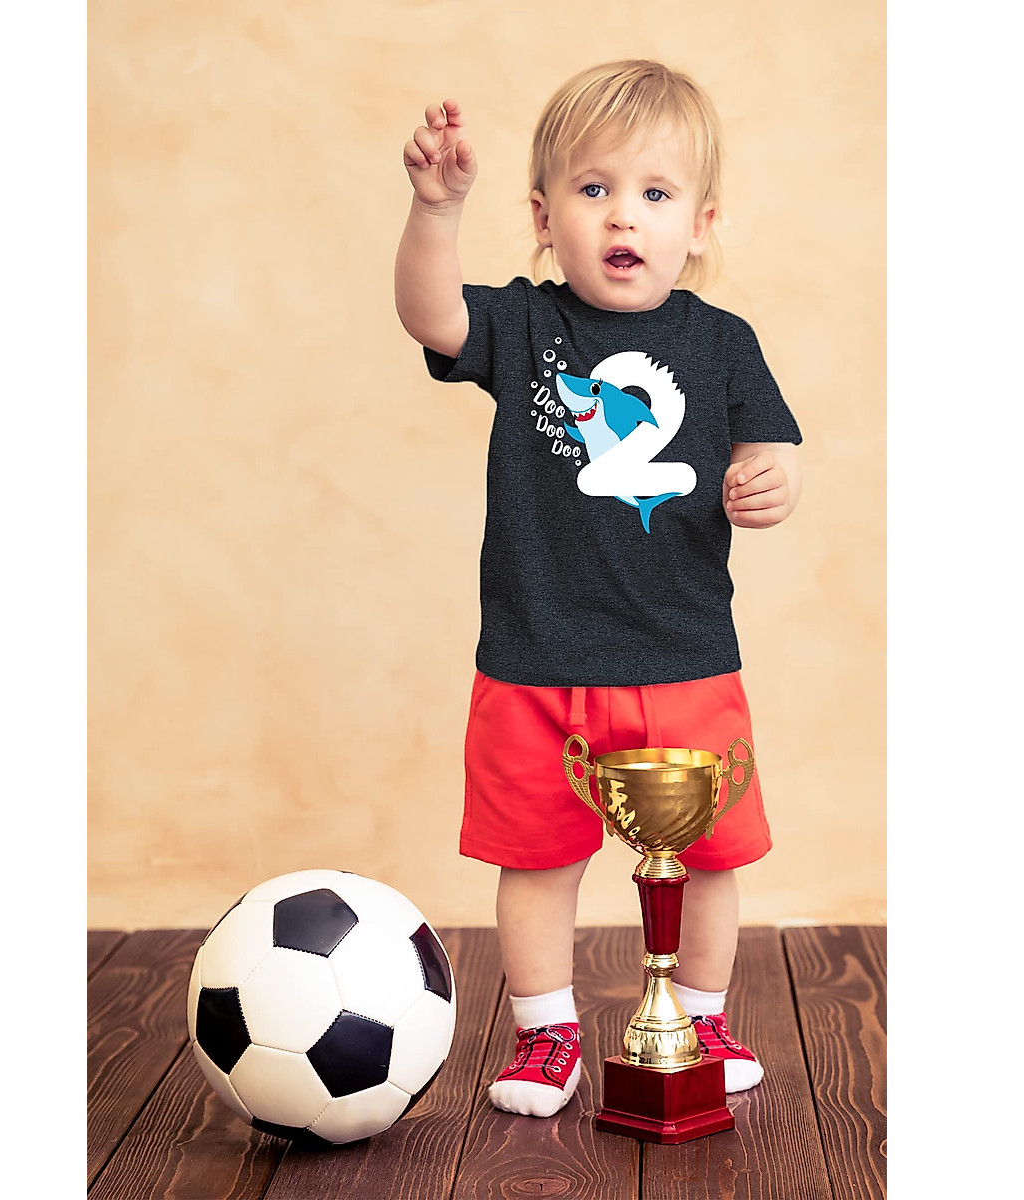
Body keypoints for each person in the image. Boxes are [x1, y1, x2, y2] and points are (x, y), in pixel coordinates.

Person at [394, 59, 803, 1119]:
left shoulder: (722, 343)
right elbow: (431, 318)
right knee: (536, 864)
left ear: (699, 226)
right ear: (543, 217)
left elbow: (773, 450)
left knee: (708, 856)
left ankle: (699, 1016)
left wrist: (770, 482)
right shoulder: (526, 327)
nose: (625, 215)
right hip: (535, 662)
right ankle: (547, 1033)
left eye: (655, 194)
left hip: (684, 659)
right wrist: (436, 212)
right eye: (593, 189)